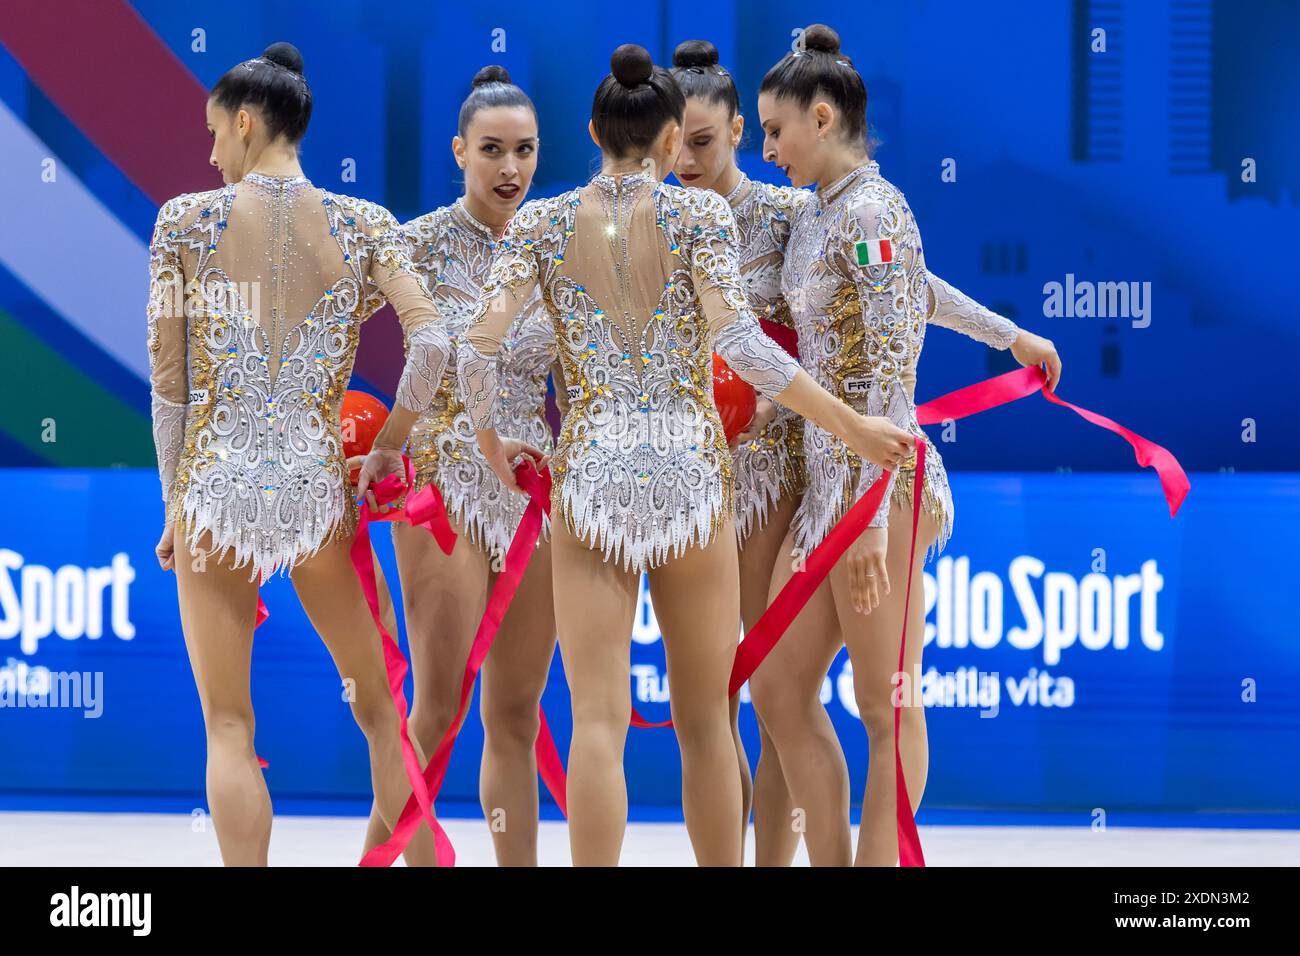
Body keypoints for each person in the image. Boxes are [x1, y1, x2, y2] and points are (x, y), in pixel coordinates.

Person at [455, 43, 916, 866]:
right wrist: (848, 423)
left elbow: (475, 351)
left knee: (596, 719)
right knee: (707, 720)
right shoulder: (697, 216)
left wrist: (494, 442)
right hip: (691, 478)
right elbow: (744, 345)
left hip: (590, 479)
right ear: (672, 143)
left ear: (593, 130)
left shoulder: (540, 223)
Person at [749, 23, 1062, 866]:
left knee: (885, 704)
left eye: (775, 130)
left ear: (822, 117)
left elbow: (891, 365)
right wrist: (1010, 334)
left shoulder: (877, 208)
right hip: (831, 491)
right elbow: (917, 286)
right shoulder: (828, 213)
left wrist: (873, 523)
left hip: (879, 496)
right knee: (777, 688)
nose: (767, 148)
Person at [148, 41, 463, 866]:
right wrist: (390, 445)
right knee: (382, 710)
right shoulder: (364, 224)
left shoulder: (183, 222)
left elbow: (171, 389)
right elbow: (432, 344)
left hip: (216, 492)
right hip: (316, 494)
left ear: (247, 123)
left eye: (215, 132)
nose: (211, 152)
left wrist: (177, 506)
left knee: (227, 723)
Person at [359, 65, 556, 867]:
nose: (511, 169)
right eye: (492, 151)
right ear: (459, 151)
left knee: (516, 712)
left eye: (526, 151)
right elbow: (328, 326)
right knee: (438, 713)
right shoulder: (414, 244)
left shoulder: (555, 240)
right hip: (444, 489)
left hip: (534, 490)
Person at [669, 38, 809, 865]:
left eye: (703, 142)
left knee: (776, 690)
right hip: (686, 480)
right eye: (674, 141)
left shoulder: (788, 215)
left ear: (734, 134)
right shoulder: (646, 221)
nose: (684, 158)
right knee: (706, 697)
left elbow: (900, 289)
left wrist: (1006, 335)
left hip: (770, 478)